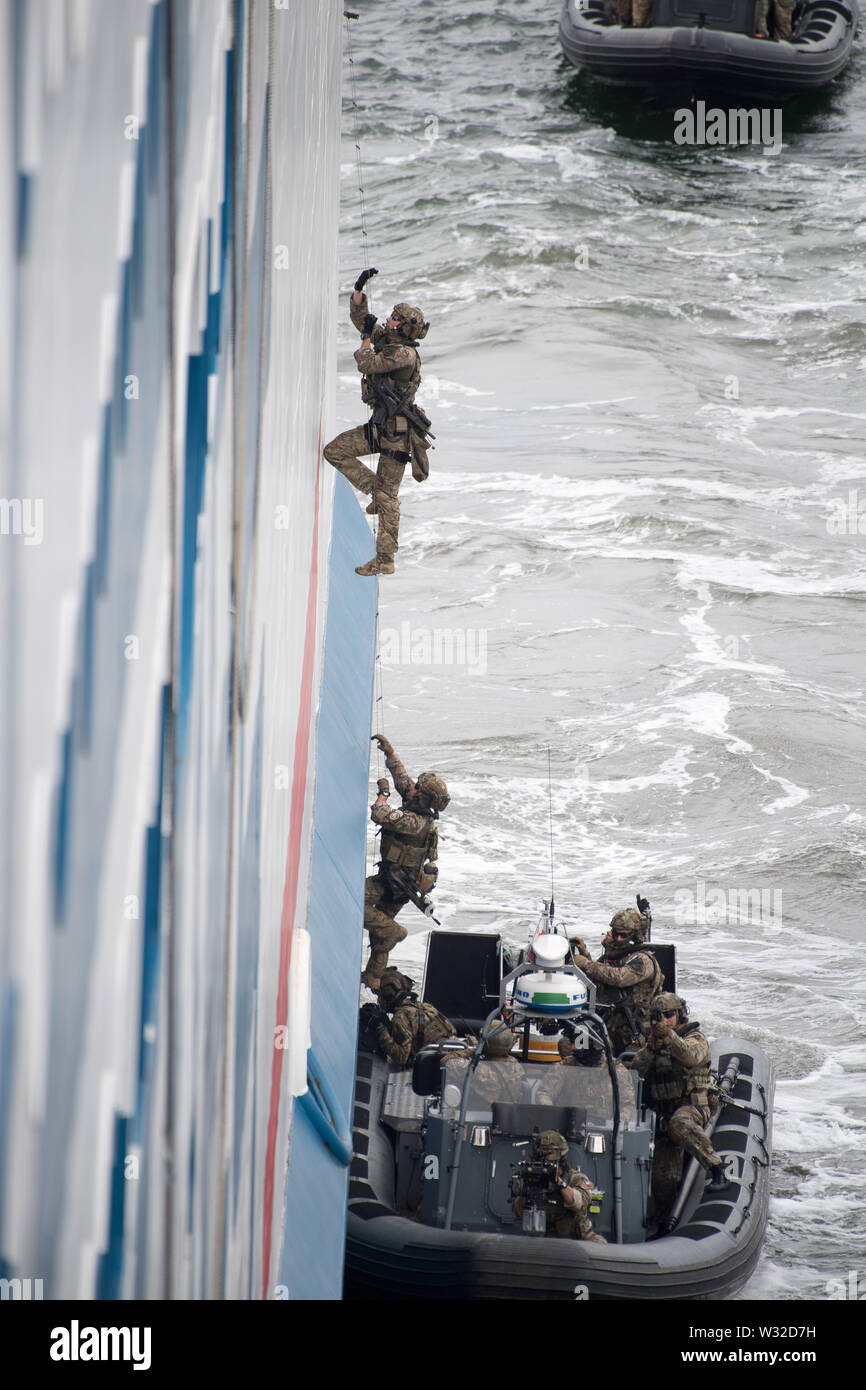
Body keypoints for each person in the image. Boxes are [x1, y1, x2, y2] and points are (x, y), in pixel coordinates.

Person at [322, 267, 431, 577]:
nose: (390, 320)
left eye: (396, 319)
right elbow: (363, 322)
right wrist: (358, 293)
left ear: (407, 330)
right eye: (392, 316)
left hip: (397, 435)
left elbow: (366, 361)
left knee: (389, 498)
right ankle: (374, 492)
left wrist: (368, 338)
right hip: (379, 426)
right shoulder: (389, 339)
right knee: (335, 451)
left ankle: (385, 560)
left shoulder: (404, 355)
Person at [628, 992, 729, 1215]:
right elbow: (635, 1070)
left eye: (669, 1015)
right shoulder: (652, 1042)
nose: (664, 1020)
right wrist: (652, 1047)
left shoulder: (694, 1037)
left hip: (693, 1107)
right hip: (664, 1114)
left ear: (679, 1014)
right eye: (659, 1016)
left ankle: (716, 1167)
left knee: (680, 1123)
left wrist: (670, 1038)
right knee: (662, 1183)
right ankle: (665, 1222)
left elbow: (692, 1056)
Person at [362, 733, 449, 990]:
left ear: (423, 799)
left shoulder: (414, 821)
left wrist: (383, 793)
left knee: (356, 903)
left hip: (393, 884)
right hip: (397, 881)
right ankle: (374, 978)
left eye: (418, 788)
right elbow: (403, 780)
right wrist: (390, 754)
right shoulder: (417, 804)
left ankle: (396, 932)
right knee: (380, 935)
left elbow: (379, 814)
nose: (412, 788)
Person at [571, 907, 663, 1056]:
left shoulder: (642, 960)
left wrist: (586, 964)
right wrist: (583, 953)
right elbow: (599, 977)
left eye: (624, 935)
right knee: (570, 1045)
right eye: (616, 934)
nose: (619, 939)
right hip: (609, 1026)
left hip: (632, 1034)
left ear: (634, 935)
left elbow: (618, 977)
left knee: (588, 1051)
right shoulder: (617, 956)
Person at [512, 1130, 606, 1242]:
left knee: (599, 1243)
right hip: (544, 1238)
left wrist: (560, 1183)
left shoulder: (575, 1178)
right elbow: (519, 1211)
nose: (545, 1159)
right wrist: (526, 1190)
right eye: (542, 1154)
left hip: (578, 1237)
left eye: (550, 1154)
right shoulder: (529, 1179)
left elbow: (578, 1203)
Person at [366, 968, 457, 1068]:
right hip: (455, 1055)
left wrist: (381, 1030)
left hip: (444, 1065)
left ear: (389, 995)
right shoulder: (425, 1006)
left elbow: (401, 1058)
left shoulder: (400, 1018)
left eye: (381, 996)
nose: (379, 1001)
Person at [445, 1022, 526, 1107]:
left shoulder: (480, 1070)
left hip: (480, 1115)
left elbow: (448, 1062)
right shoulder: (515, 1064)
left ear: (486, 1043)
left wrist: (474, 1051)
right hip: (507, 1115)